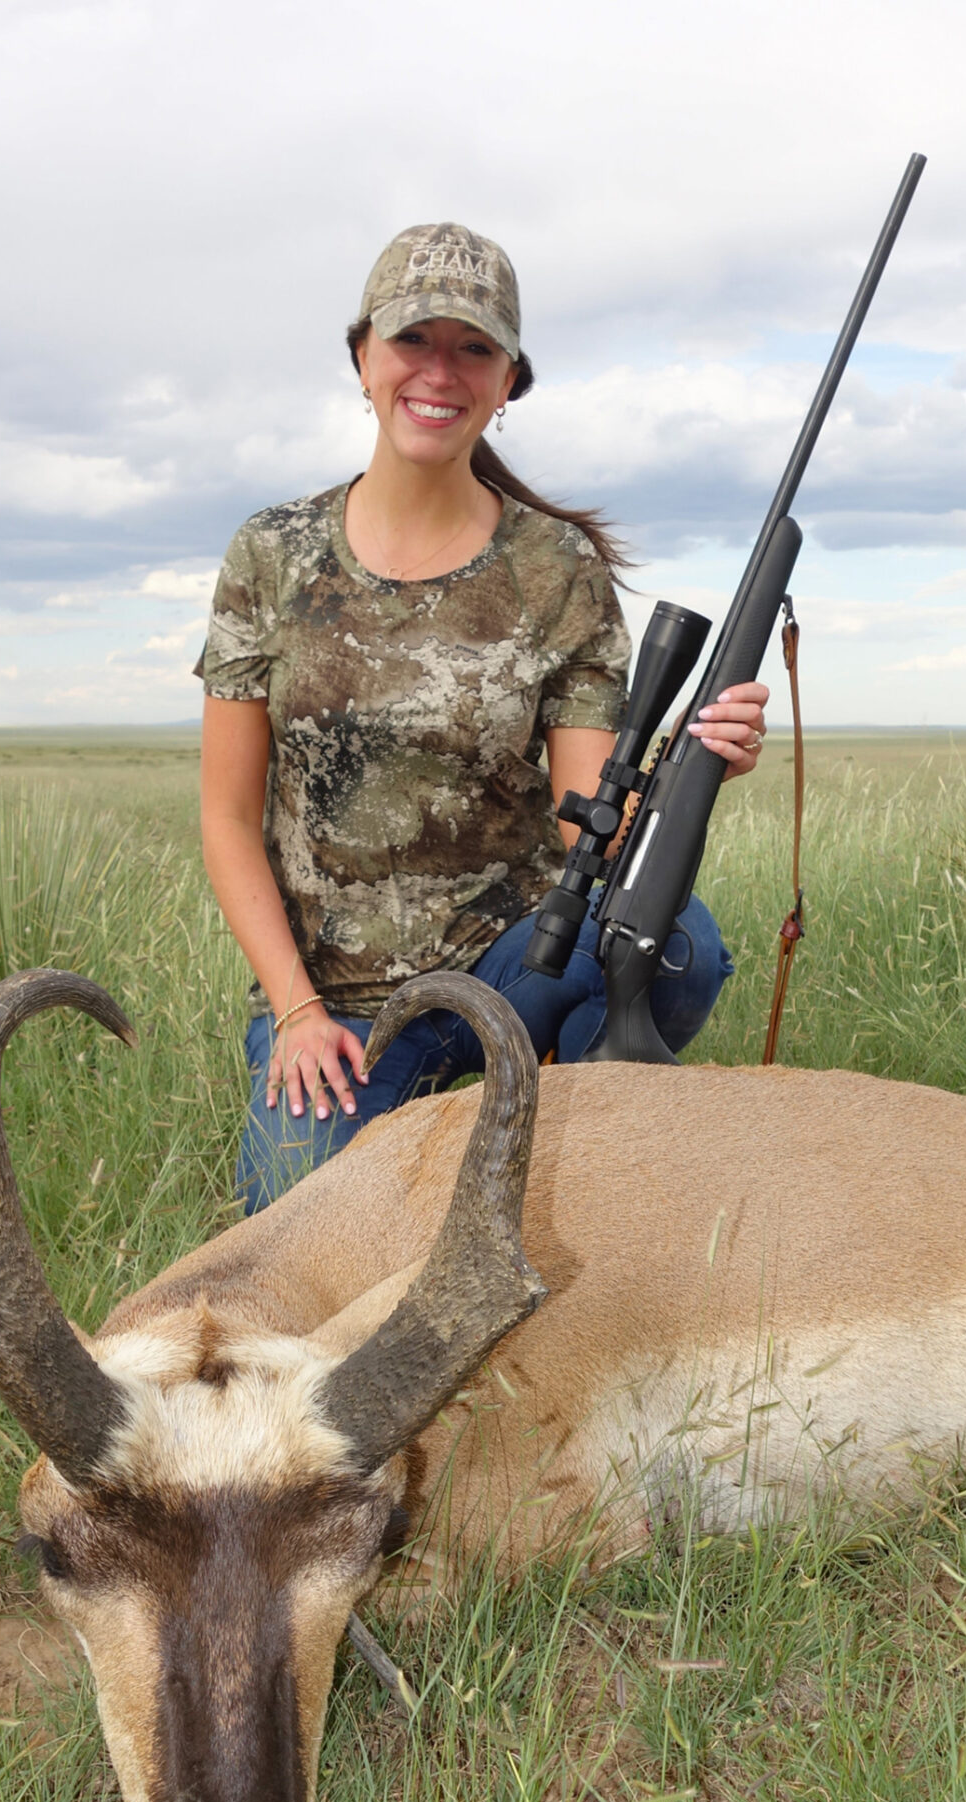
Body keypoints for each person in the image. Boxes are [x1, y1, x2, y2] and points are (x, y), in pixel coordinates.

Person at [198, 223, 768, 1214]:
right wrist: (295, 1009)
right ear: (364, 357)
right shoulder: (270, 554)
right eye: (416, 339)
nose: (441, 371)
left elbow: (582, 815)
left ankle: (577, 1132)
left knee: (680, 946)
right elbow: (225, 816)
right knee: (300, 1242)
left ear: (508, 381)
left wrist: (692, 768)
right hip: (342, 998)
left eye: (476, 349)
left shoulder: (557, 567)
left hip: (518, 953)